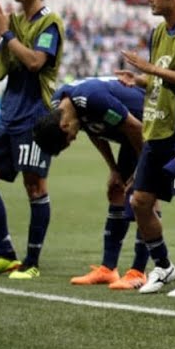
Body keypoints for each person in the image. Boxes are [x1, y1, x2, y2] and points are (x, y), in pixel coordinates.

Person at [0, 0, 65, 279]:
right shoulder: (11, 22)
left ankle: (32, 261)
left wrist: (6, 33)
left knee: (34, 186)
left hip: (35, 117)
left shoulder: (49, 23)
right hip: (8, 114)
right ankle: (6, 253)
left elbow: (36, 62)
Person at [117, 0, 175, 297]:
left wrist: (150, 69)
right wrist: (140, 80)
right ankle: (165, 267)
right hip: (157, 126)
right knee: (140, 201)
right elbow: (162, 77)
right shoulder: (157, 33)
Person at [33, 77, 150, 289]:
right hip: (128, 134)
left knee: (144, 195)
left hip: (148, 128)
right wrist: (113, 168)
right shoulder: (63, 106)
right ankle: (108, 269)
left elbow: (137, 128)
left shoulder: (92, 98)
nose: (73, 139)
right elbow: (93, 130)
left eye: (68, 137)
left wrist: (142, 171)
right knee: (117, 193)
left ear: (64, 124)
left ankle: (139, 271)